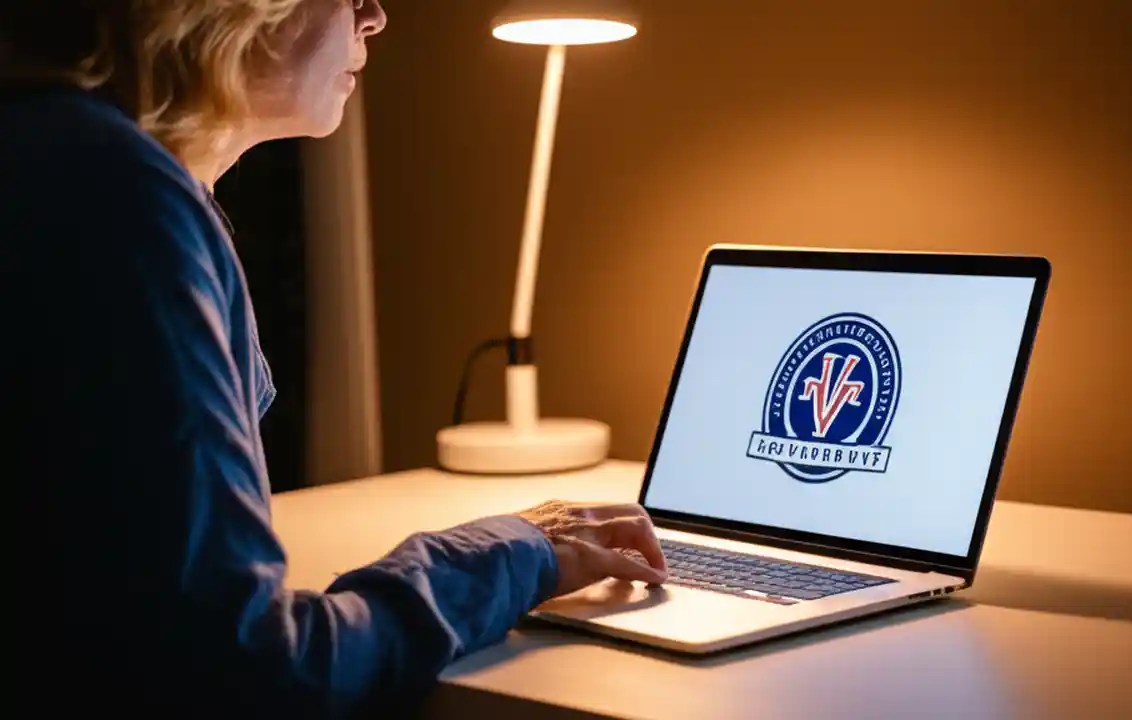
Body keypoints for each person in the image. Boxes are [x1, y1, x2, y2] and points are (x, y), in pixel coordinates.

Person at [0, 1, 667, 717]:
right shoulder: (113, 198)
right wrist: (505, 553)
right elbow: (248, 674)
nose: (374, 17)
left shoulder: (76, 158)